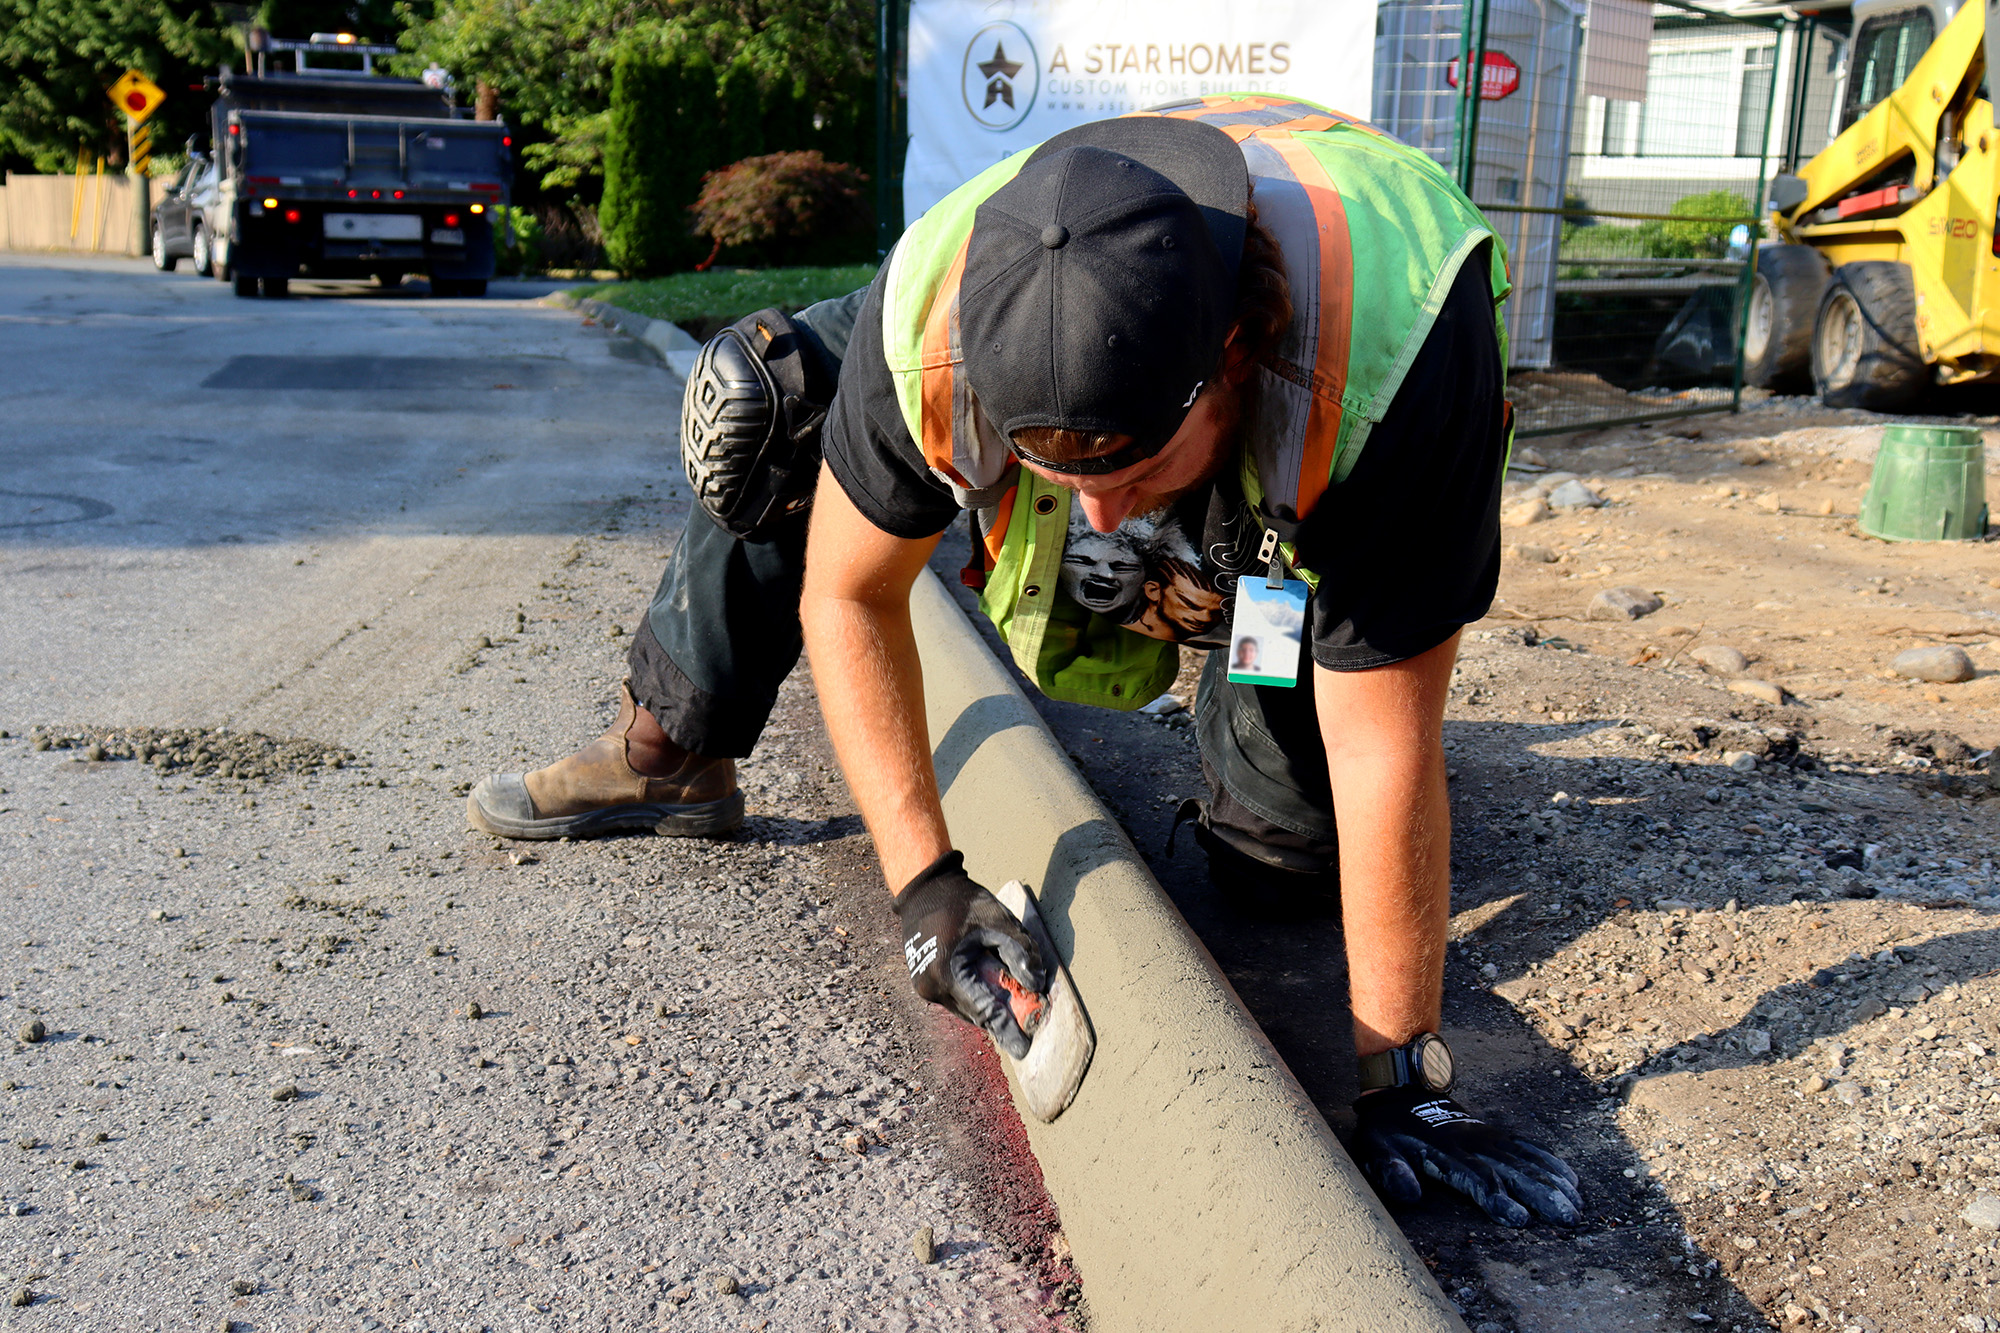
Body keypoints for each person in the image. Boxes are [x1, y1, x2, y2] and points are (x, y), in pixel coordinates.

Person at [469, 94, 1580, 1228]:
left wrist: (1405, 1079)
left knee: (1277, 867)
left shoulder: (1389, 358)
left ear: (1232, 363)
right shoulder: (942, 318)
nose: (1096, 517)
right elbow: (850, 594)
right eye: (1058, 473)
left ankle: (1240, 652)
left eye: (1132, 470)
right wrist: (925, 891)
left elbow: (1382, 733)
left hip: (1315, 395)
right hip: (1086, 269)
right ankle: (671, 745)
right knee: (772, 407)